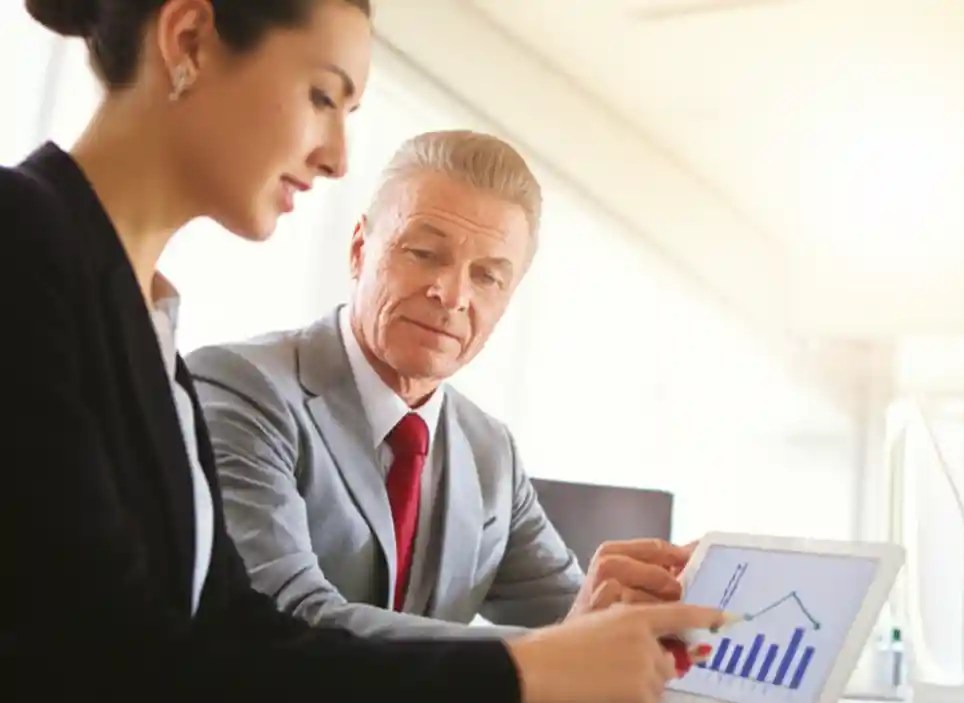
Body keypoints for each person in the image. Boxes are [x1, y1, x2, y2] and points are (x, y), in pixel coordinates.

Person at [0, 1, 720, 703]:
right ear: (188, 40)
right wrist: (527, 666)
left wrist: (633, 617)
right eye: (322, 96)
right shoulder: (24, 242)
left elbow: (227, 632)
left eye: (488, 276)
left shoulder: (152, 341)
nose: (338, 157)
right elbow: (127, 646)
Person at [187, 129, 690, 640]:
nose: (451, 295)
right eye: (424, 252)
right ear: (359, 250)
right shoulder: (240, 388)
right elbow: (288, 618)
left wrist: (667, 607)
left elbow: (577, 614)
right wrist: (567, 646)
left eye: (487, 277)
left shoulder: (490, 452)